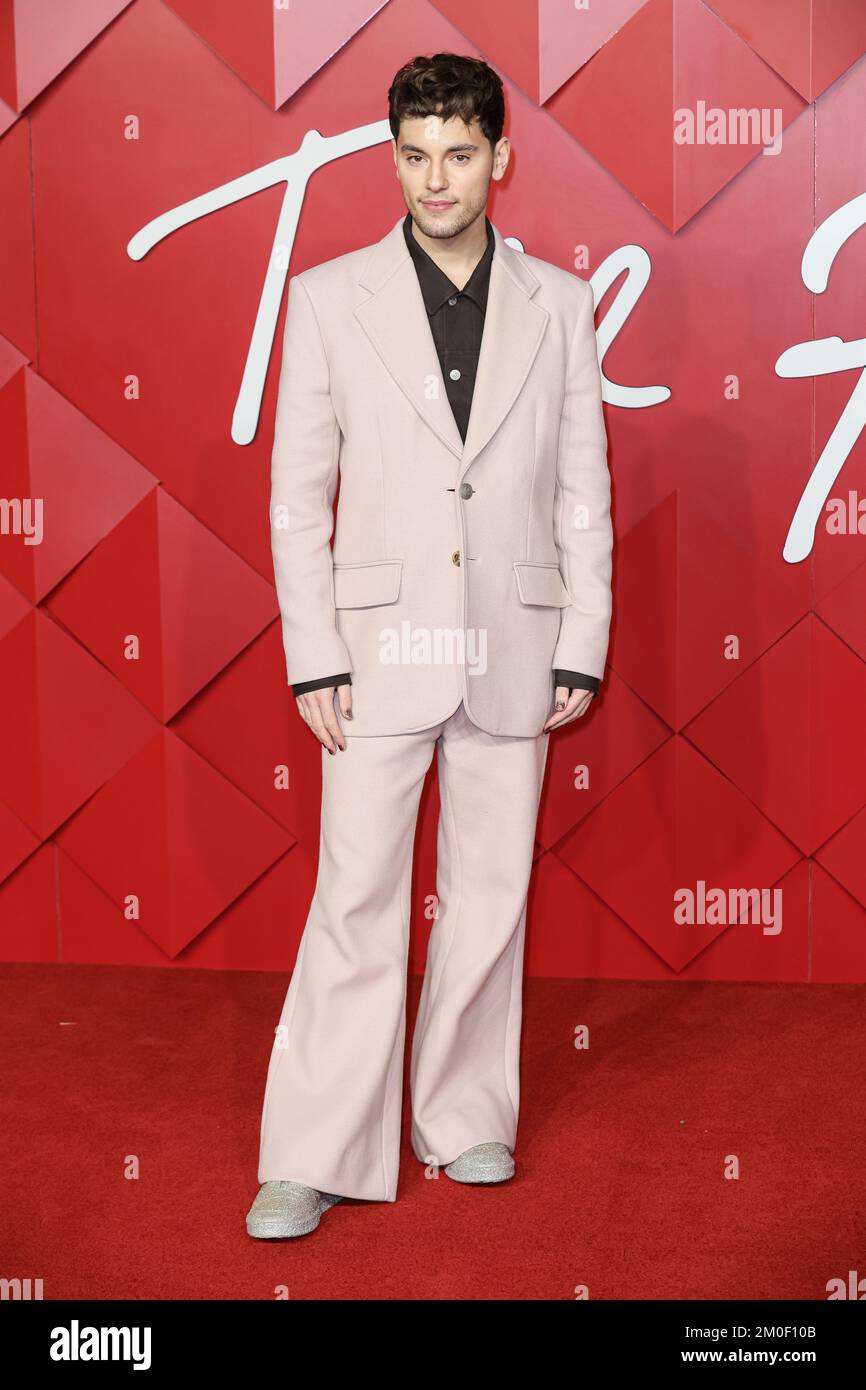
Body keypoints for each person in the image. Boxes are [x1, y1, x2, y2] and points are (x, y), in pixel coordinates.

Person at [246, 51, 613, 1239]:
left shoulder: (558, 303)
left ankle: (461, 1117)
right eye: (413, 155)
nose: (435, 179)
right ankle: (311, 1148)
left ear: (499, 158)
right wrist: (314, 653)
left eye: (458, 154)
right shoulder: (325, 297)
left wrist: (582, 640)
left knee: (489, 898)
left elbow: (580, 493)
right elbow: (298, 494)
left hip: (515, 639)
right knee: (352, 896)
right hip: (371, 650)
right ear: (391, 155)